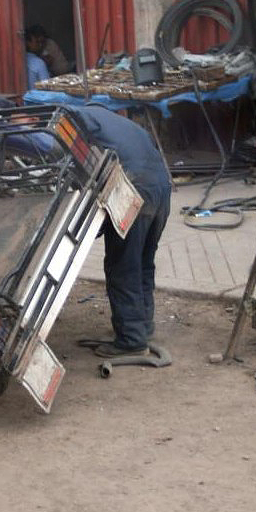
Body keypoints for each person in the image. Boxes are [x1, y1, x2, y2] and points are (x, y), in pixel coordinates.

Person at [67, 103, 171, 356]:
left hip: (135, 190)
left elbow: (69, 152)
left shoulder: (75, 116)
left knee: (123, 266)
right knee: (143, 261)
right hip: (162, 188)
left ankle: (131, 340)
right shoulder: (118, 123)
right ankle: (143, 326)